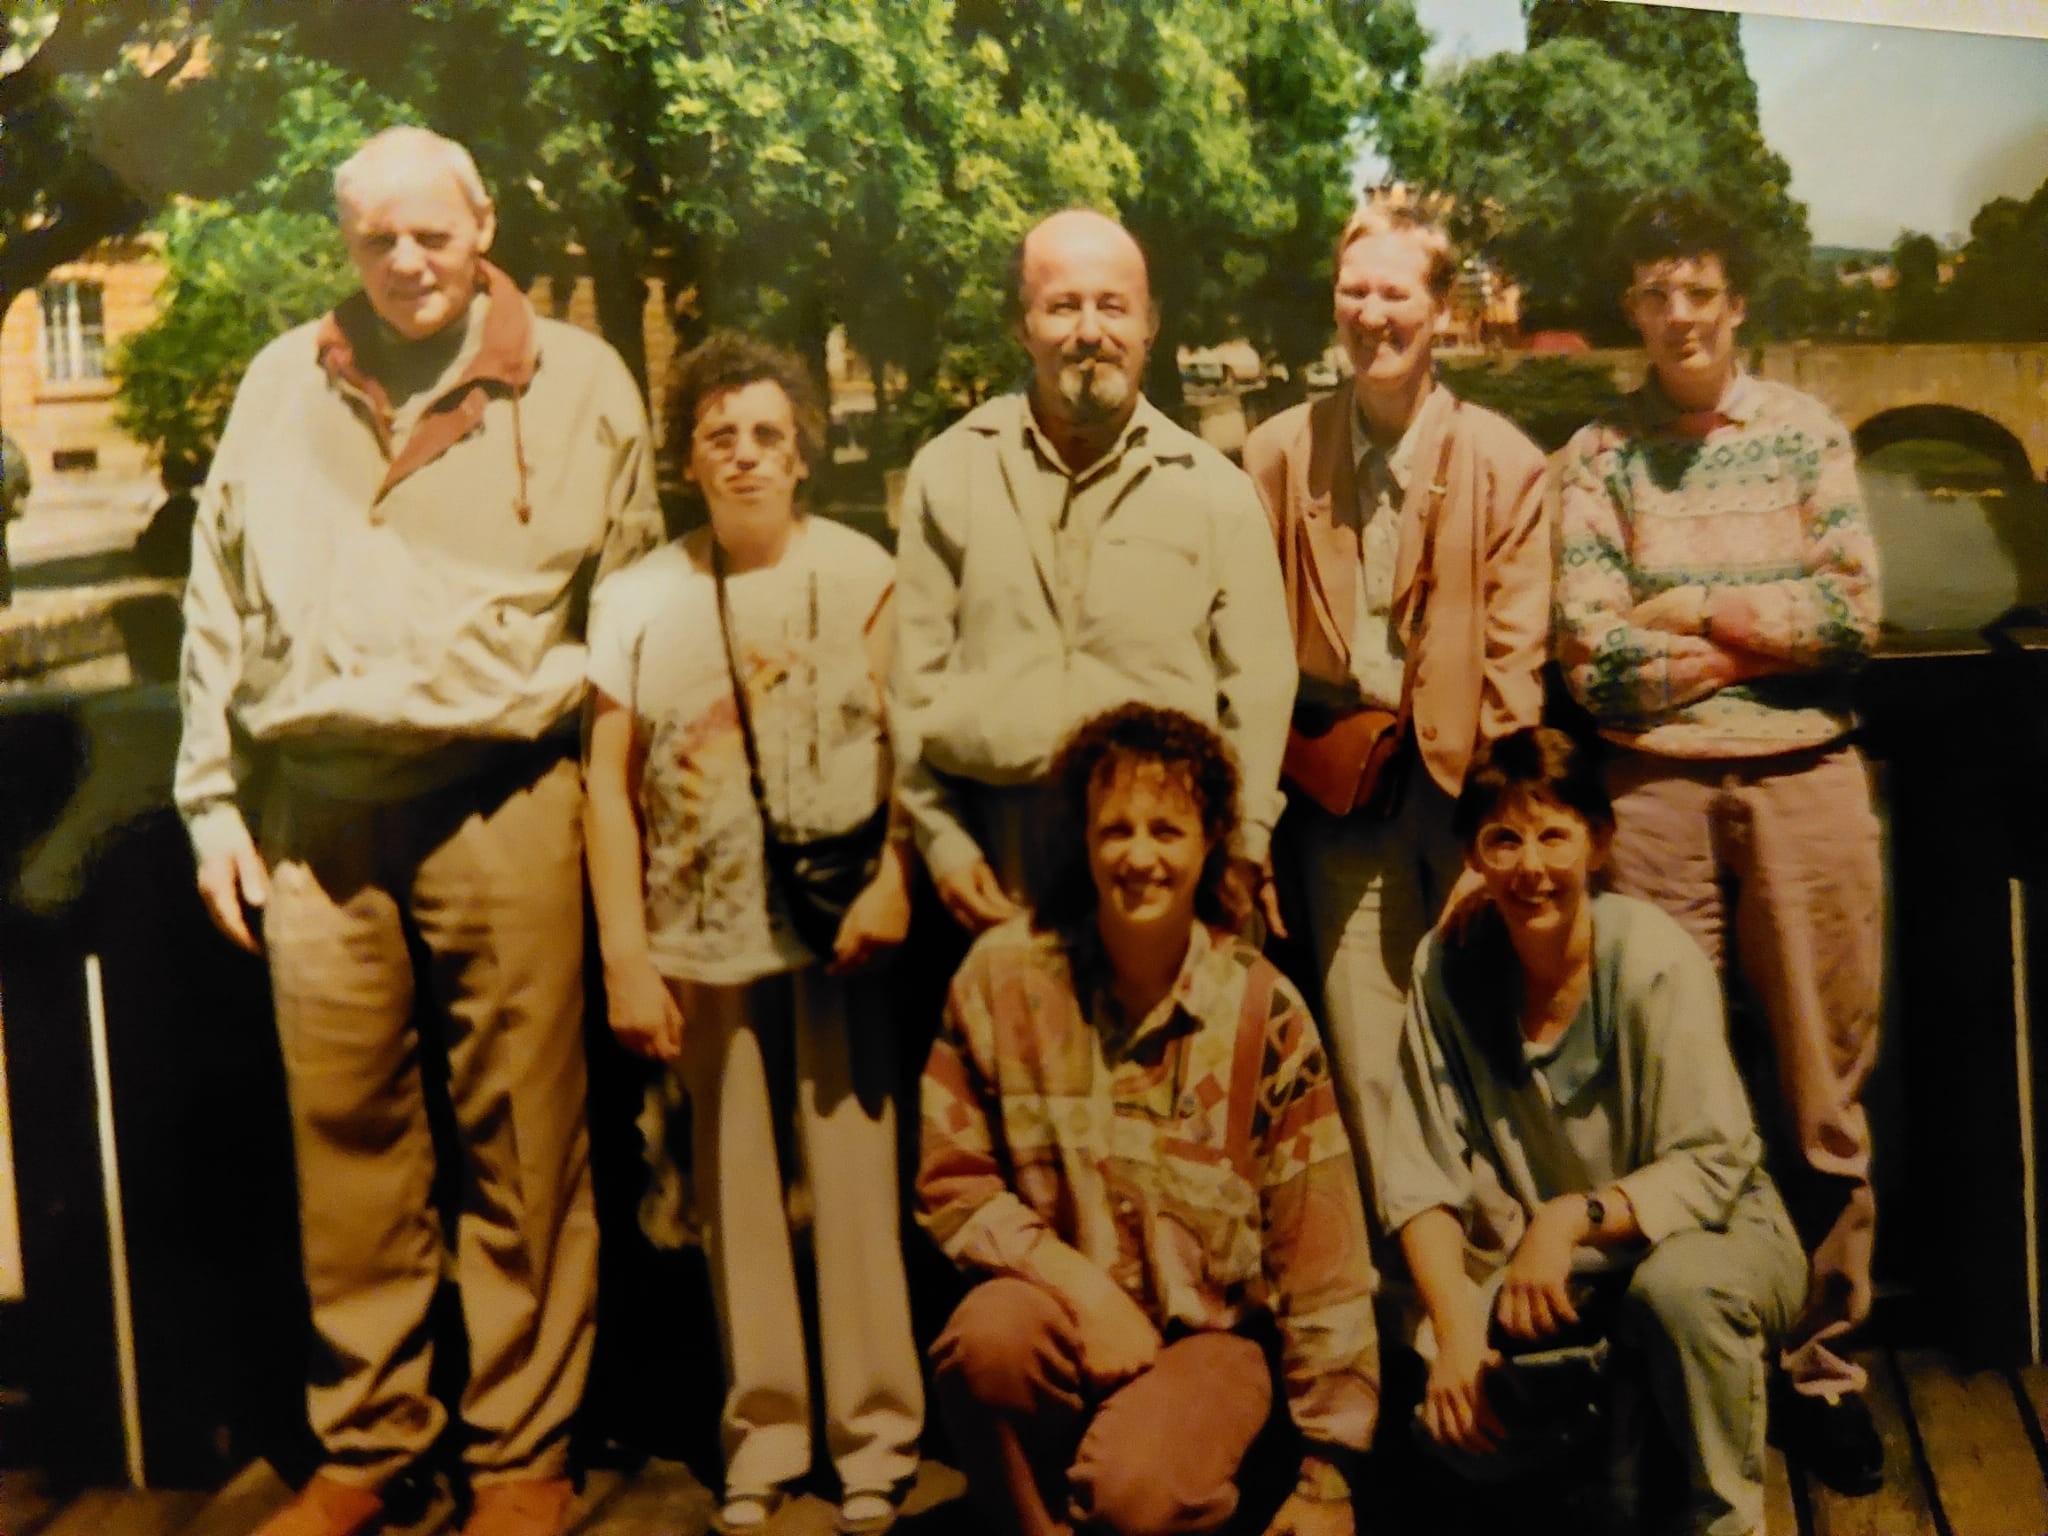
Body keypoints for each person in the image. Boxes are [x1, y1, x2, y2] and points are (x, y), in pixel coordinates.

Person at [175, 126, 663, 1536]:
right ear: (348, 245)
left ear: (483, 225)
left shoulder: (582, 382)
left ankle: (520, 1456)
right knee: (348, 1150)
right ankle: (369, 1445)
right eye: (378, 238)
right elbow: (215, 602)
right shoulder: (280, 382)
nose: (406, 262)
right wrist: (210, 800)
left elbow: (627, 620)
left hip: (506, 799)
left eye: (432, 235)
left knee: (525, 1149)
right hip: (315, 814)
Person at [1552, 192, 1886, 1494]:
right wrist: (1754, 635)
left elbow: (1853, 610)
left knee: (1821, 1096)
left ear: (1736, 301)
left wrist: (1685, 602)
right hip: (1653, 804)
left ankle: (1827, 1367)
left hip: (1808, 790)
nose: (1679, 314)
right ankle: (1689, 1362)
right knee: (1668, 1094)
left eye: (1700, 290)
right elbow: (1593, 659)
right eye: (1654, 294)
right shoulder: (1599, 457)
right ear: (1633, 310)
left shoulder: (1807, 434)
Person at [583, 332, 923, 1535]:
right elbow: (606, 787)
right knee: (729, 1192)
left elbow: (908, 751)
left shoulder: (863, 572)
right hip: (700, 928)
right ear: (689, 457)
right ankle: (764, 1432)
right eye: (720, 434)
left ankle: (875, 1435)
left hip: (837, 927)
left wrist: (893, 881)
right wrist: (626, 951)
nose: (744, 455)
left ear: (803, 454)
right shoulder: (635, 598)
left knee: (853, 1181)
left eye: (767, 435)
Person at [918, 703, 1378, 1536]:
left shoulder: (1263, 1011)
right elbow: (950, 1184)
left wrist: (1329, 1476)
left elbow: (1323, 1254)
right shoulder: (1003, 976)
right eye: (1115, 830)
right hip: (1062, 1315)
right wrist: (1083, 1288)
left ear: (1209, 843)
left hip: (1213, 1342)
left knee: (1135, 1493)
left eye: (1166, 830)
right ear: (1084, 839)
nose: (1138, 856)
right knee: (984, 1343)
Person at [1378, 726, 1807, 1536]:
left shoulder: (1651, 959)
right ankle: (1627, 1438)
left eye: (1553, 836)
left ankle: (1728, 1518)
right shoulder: (1447, 966)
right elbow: (1419, 1178)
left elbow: (1716, 1160)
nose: (1530, 867)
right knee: (1455, 1425)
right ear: (1473, 855)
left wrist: (1569, 1213)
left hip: (1721, 1235)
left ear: (1599, 842)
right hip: (1583, 1263)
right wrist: (1458, 1326)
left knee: (1677, 1294)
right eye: (1502, 840)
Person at [1242, 189, 1550, 1209]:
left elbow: (1513, 672)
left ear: (1440, 310)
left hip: (1461, 806)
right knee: (1368, 1064)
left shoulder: (1505, 464)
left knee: (1485, 1053)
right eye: (1352, 291)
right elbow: (1242, 652)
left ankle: (1507, 1296)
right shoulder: (1277, 456)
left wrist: (1496, 844)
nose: (1371, 315)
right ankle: (1414, 1318)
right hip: (1338, 813)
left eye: (1394, 293)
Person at [890, 208, 1296, 935]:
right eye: (1061, 306)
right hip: (997, 852)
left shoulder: (1214, 491)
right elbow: (912, 682)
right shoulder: (949, 472)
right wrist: (942, 842)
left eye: (1113, 306)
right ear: (1022, 326)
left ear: (1150, 325)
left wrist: (1243, 845)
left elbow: (1259, 689)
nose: (1089, 331)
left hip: (1168, 854)